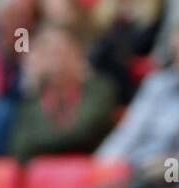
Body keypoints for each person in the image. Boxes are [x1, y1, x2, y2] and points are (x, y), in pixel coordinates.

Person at [97, 19, 179, 181]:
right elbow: (127, 134)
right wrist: (100, 167)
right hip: (145, 180)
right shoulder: (159, 85)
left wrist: (174, 169)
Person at [9, 23, 118, 162]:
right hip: (45, 178)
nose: (57, 61)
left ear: (79, 54)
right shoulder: (31, 101)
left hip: (92, 173)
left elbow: (84, 133)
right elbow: (20, 148)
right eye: (49, 54)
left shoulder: (100, 89)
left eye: (62, 52)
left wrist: (39, 146)